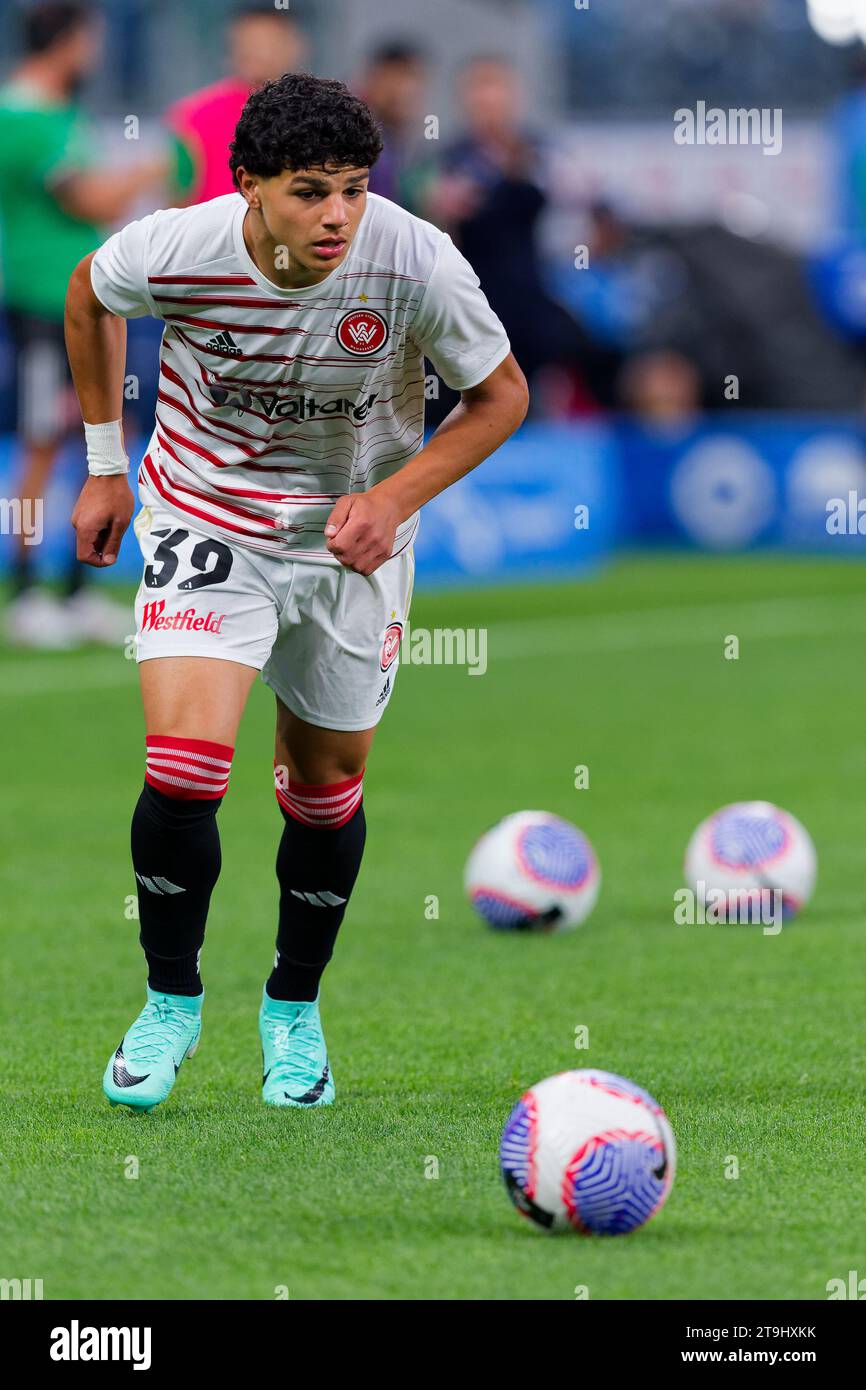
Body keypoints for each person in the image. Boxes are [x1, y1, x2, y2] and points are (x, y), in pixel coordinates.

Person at [65, 72, 528, 1112]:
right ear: (248, 188)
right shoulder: (177, 248)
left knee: (322, 792)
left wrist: (393, 495)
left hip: (349, 548)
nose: (337, 217)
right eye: (310, 191)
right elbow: (89, 289)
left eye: (354, 190)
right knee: (184, 767)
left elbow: (500, 396)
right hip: (205, 517)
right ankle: (169, 1002)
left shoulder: (412, 259)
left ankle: (292, 1006)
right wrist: (104, 463)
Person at [0, 0, 170, 647]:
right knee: (43, 439)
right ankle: (24, 594)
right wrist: (155, 165)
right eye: (90, 39)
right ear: (67, 42)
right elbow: (92, 198)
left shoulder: (57, 112)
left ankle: (73, 591)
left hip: (86, 302)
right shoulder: (24, 116)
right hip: (45, 303)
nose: (96, 51)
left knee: (101, 434)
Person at [428, 56, 620, 418]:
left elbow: (591, 209)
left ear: (514, 97)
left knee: (591, 360)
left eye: (495, 89)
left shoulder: (543, 154)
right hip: (476, 300)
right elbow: (430, 223)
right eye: (478, 91)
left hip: (534, 300)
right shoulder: (449, 160)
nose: (487, 101)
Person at [164, 1, 307, 207]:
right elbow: (177, 205)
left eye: (267, 44)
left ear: (294, 46)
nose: (256, 53)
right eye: (247, 42)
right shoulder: (195, 116)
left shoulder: (317, 113)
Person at [358, 41, 435, 216]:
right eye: (398, 78)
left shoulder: (402, 141)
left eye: (415, 79)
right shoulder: (358, 141)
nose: (407, 90)